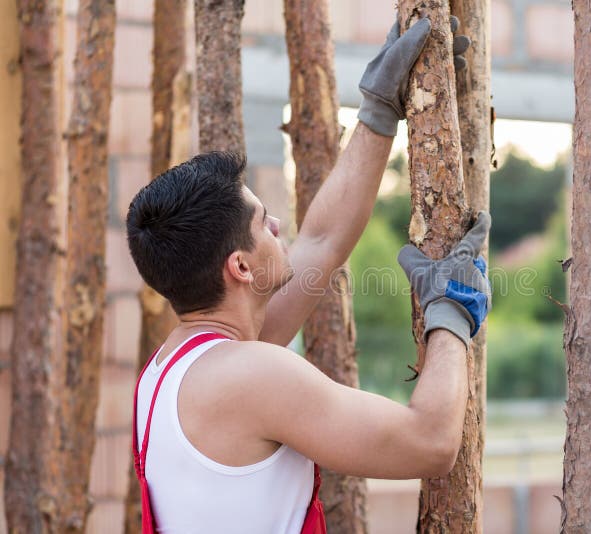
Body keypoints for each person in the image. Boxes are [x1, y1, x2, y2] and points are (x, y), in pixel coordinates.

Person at [126, 15, 489, 534]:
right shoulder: (250, 376)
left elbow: (322, 241)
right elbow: (429, 443)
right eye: (262, 222)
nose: (278, 224)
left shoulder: (173, 371)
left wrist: (378, 111)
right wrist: (451, 309)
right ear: (240, 267)